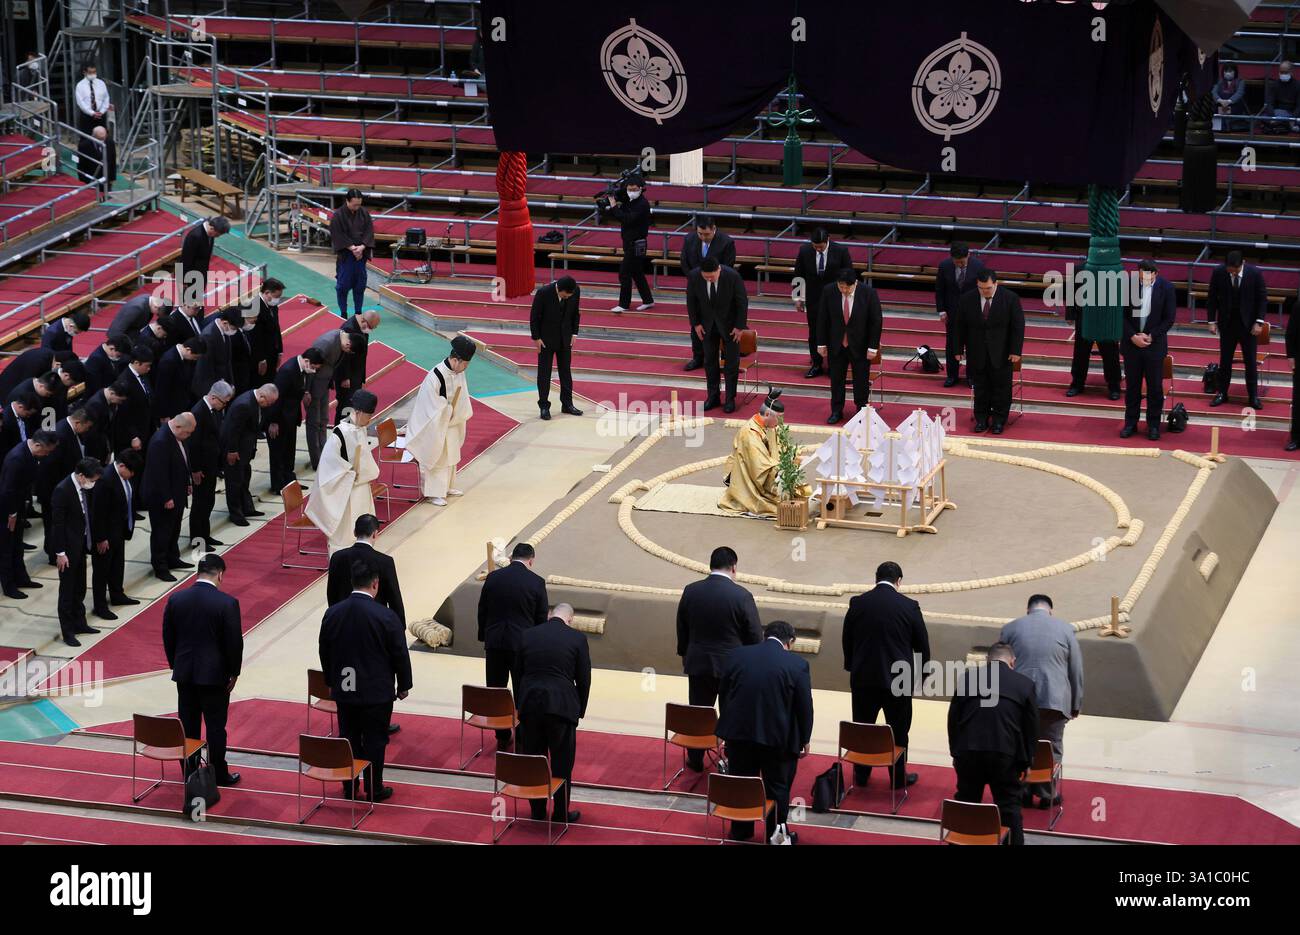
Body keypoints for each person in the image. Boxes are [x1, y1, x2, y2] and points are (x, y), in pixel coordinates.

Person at [318, 559, 412, 802]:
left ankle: (349, 786)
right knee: (375, 740)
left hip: (345, 688)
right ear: (375, 584)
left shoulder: (333, 612)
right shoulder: (386, 616)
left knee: (348, 736)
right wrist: (403, 685)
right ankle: (374, 787)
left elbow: (324, 650)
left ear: (352, 582)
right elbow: (399, 653)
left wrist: (330, 680)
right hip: (376, 691)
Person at [715, 620, 814, 844]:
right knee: (778, 788)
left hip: (739, 735)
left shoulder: (737, 655)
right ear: (791, 642)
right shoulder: (797, 664)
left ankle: (741, 830)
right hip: (778, 740)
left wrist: (727, 726)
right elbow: (804, 706)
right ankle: (775, 836)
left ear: (764, 635)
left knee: (742, 782)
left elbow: (725, 693)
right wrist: (805, 738)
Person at [841, 561, 930, 789]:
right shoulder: (909, 606)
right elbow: (922, 646)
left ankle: (861, 775)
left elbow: (847, 638)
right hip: (899, 682)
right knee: (899, 731)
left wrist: (852, 665)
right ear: (899, 581)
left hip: (864, 680)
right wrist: (921, 676)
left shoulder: (858, 603)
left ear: (875, 578)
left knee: (863, 728)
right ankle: (897, 779)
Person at [674, 546, 761, 771]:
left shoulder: (691, 590)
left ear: (711, 565)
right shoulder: (741, 595)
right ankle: (732, 758)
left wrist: (685, 653)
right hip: (733, 667)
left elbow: (682, 627)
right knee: (732, 714)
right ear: (733, 567)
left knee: (699, 711)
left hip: (698, 662)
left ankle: (695, 758)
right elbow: (753, 635)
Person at [162, 553, 243, 787]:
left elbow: (168, 636)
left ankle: (191, 772)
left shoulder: (176, 599)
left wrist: (175, 664)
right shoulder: (227, 603)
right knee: (216, 728)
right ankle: (218, 773)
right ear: (219, 574)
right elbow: (234, 643)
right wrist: (233, 672)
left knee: (189, 726)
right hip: (215, 678)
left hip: (185, 674)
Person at [947, 642, 1039, 846]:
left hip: (968, 751)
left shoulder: (967, 679)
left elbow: (953, 719)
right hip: (1004, 754)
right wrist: (1026, 762)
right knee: (1009, 807)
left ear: (987, 661)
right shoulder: (1024, 684)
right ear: (1012, 662)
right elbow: (1030, 728)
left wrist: (955, 753)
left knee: (966, 803)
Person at [999, 595, 1082, 808]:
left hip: (1018, 698)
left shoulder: (1010, 628)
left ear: (1028, 610)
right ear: (1050, 611)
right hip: (1054, 698)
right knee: (1051, 745)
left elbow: (1001, 666)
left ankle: (1024, 790)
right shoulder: (1065, 629)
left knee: (1022, 745)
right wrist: (1075, 702)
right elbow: (1075, 669)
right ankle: (1048, 794)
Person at [515, 602, 591, 825]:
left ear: (550, 615)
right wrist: (579, 709)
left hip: (530, 704)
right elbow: (584, 679)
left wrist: (521, 703)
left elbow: (517, 673)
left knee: (534, 759)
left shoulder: (527, 635)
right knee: (562, 762)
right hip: (561, 707)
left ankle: (537, 810)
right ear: (570, 620)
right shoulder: (577, 639)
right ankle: (560, 813)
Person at [476, 542, 548, 747]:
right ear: (531, 560)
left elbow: (483, 609)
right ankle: (523, 736)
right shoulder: (536, 582)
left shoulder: (493, 578)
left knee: (496, 690)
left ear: (510, 558)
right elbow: (540, 618)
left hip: (495, 642)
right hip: (522, 646)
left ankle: (501, 736)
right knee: (522, 691)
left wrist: (484, 636)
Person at [305, 389, 379, 552]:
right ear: (358, 412)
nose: (370, 419)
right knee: (346, 530)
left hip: (360, 486)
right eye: (368, 415)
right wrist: (349, 474)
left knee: (363, 526)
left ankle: (363, 553)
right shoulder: (339, 433)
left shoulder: (361, 428)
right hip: (344, 489)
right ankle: (340, 560)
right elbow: (328, 465)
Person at [404, 336, 474, 506]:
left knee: (451, 455)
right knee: (437, 455)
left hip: (451, 422)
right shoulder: (435, 376)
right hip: (435, 424)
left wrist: (454, 413)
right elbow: (429, 406)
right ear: (455, 360)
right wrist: (446, 411)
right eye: (464, 363)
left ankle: (446, 487)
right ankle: (433, 492)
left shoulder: (459, 372)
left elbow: (462, 397)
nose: (466, 367)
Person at [955, 270, 1025, 434]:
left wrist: (1016, 350)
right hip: (976, 351)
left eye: (987, 288)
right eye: (981, 288)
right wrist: (958, 348)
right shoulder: (967, 299)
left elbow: (1018, 326)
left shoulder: (1010, 298)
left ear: (996, 284)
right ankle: (981, 419)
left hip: (1002, 353)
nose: (984, 291)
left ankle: (999, 421)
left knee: (1002, 388)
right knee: (980, 388)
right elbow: (959, 325)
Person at [718, 389, 808, 516]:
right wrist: (782, 469)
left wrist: (794, 456)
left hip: (765, 469)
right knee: (780, 507)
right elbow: (759, 465)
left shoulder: (770, 427)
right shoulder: (750, 433)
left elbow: (780, 447)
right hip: (749, 477)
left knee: (795, 495)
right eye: (779, 418)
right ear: (767, 414)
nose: (781, 422)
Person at [50, 457, 104, 646]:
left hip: (81, 545)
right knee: (67, 591)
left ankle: (80, 623)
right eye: (92, 480)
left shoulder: (83, 488)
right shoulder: (62, 490)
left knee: (80, 587)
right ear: (81, 476)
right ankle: (68, 631)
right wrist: (60, 552)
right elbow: (57, 525)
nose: (93, 484)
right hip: (67, 549)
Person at [1121, 259, 1177, 440]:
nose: (1143, 278)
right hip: (1132, 345)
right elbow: (1119, 315)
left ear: (1155, 274)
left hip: (1155, 345)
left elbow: (1169, 318)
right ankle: (1131, 423)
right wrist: (1132, 336)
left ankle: (1153, 425)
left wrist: (1152, 335)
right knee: (1132, 387)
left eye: (1147, 275)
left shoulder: (1167, 288)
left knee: (1154, 388)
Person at [819, 268, 882, 424]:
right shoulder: (829, 291)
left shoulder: (868, 293)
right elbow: (822, 318)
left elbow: (876, 321)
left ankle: (861, 410)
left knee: (861, 380)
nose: (844, 290)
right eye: (841, 287)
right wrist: (821, 343)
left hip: (860, 345)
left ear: (855, 283)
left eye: (847, 287)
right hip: (836, 344)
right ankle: (836, 410)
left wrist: (873, 347)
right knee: (836, 379)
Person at [686, 256, 748, 413]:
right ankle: (713, 396)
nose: (709, 279)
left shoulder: (732, 276)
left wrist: (740, 327)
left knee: (731, 364)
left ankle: (730, 399)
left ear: (719, 269)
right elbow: (691, 301)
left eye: (712, 276)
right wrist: (696, 324)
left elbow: (742, 302)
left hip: (730, 326)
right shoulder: (694, 276)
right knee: (709, 362)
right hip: (707, 326)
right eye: (706, 277)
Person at [0, 431, 58, 600]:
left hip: (17, 505)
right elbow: (7, 490)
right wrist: (12, 513)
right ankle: (9, 585)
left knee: (17, 545)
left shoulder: (32, 454)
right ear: (38, 445)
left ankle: (21, 578)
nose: (47, 454)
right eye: (47, 451)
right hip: (6, 509)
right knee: (6, 548)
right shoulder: (17, 458)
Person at [1207, 250, 1267, 410]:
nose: (1232, 272)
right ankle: (1222, 393)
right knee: (1225, 361)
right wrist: (1211, 320)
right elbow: (1212, 297)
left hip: (1248, 326)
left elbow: (1262, 298)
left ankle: (1253, 396)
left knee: (1250, 363)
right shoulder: (1219, 272)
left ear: (1243, 263)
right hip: (1227, 324)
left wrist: (1259, 322)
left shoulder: (1255, 273)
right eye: (1230, 269)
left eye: (1235, 269)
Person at [36, 408, 96, 566]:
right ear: (78, 423)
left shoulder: (69, 430)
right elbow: (51, 467)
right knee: (53, 522)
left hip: (62, 485)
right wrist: (63, 490)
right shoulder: (62, 434)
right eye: (87, 427)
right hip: (53, 488)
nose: (87, 430)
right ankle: (53, 553)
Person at [141, 412, 196, 582]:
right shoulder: (160, 441)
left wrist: (187, 482)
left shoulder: (178, 437)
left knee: (174, 528)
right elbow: (159, 474)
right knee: (162, 532)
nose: (188, 436)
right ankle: (160, 566)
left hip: (177, 492)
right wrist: (167, 497)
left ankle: (173, 557)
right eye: (187, 433)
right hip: (162, 497)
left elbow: (182, 461)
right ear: (178, 426)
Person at [90, 449, 145, 617]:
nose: (133, 475)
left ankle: (117, 594)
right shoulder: (105, 480)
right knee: (101, 570)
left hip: (118, 531)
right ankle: (100, 606)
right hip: (105, 535)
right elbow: (97, 513)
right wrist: (101, 538)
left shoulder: (124, 477)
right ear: (121, 466)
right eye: (131, 471)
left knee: (117, 565)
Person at [793, 228, 853, 378]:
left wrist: (849, 297)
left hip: (836, 298)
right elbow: (798, 275)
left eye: (820, 246)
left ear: (828, 240)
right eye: (815, 246)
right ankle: (817, 363)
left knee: (835, 332)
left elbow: (849, 274)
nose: (817, 248)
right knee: (814, 332)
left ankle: (834, 364)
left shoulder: (841, 251)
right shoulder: (804, 251)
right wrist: (797, 298)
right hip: (813, 299)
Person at [326, 513, 405, 626]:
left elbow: (332, 594)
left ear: (354, 532)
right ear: (375, 534)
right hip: (375, 624)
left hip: (344, 622)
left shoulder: (337, 557)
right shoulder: (385, 561)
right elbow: (394, 598)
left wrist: (335, 619)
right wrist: (399, 628)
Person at [679, 216, 736, 370]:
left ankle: (725, 356)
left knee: (722, 323)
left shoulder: (727, 242)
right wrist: (696, 281)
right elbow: (684, 261)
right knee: (696, 323)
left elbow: (727, 266)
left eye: (706, 234)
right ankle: (698, 357)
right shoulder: (690, 239)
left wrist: (711, 280)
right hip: (696, 289)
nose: (703, 237)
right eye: (700, 234)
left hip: (719, 288)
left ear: (714, 229)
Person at [221, 384, 278, 527]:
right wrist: (232, 451)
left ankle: (247, 508)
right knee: (234, 481)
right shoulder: (244, 405)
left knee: (244, 477)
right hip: (236, 450)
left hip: (246, 449)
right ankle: (236, 513)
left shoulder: (256, 402)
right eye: (269, 402)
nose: (269, 406)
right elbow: (233, 431)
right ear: (262, 396)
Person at [267, 347, 323, 493]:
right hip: (279, 419)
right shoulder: (287, 371)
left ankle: (289, 481)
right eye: (313, 367)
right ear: (306, 361)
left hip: (290, 417)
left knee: (289, 451)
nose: (314, 371)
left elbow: (296, 387)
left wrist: (304, 392)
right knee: (278, 452)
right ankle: (278, 485)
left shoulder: (301, 369)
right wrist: (273, 421)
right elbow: (276, 397)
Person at [187, 381, 234, 551]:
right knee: (200, 503)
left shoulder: (213, 410)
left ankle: (205, 535)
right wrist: (195, 469)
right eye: (224, 402)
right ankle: (197, 540)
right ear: (214, 397)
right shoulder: (198, 412)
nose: (225, 405)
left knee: (208, 501)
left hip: (211, 465)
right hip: (202, 467)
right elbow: (193, 444)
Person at [305, 327, 358, 470]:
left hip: (324, 384)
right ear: (347, 345)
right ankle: (317, 461)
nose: (347, 353)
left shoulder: (341, 340)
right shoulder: (326, 343)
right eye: (349, 351)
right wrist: (306, 391)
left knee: (323, 420)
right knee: (313, 423)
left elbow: (331, 365)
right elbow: (309, 367)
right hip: (313, 387)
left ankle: (324, 454)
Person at [529, 276, 582, 419]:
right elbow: (534, 316)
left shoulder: (575, 291)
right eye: (566, 295)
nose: (567, 297)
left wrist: (574, 333)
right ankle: (544, 407)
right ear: (560, 289)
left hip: (565, 339)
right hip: (546, 340)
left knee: (566, 372)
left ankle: (567, 404)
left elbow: (575, 313)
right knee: (544, 374)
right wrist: (536, 338)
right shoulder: (543, 293)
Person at [935, 243, 986, 386]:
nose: (959, 264)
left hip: (973, 313)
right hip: (952, 313)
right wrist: (942, 310)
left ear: (968, 255)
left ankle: (971, 377)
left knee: (973, 345)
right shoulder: (944, 266)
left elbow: (983, 290)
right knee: (952, 345)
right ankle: (952, 375)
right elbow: (940, 289)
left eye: (962, 261)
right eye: (956, 262)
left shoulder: (979, 266)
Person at [606, 174, 654, 312]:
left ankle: (624, 304)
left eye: (634, 189)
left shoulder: (642, 204)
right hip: (629, 242)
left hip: (637, 243)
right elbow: (621, 194)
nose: (631, 191)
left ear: (640, 189)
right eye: (629, 189)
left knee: (624, 273)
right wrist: (613, 193)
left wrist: (613, 205)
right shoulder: (630, 200)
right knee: (637, 273)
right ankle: (648, 300)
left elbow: (626, 219)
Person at [1064, 294, 1121, 401]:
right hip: (1084, 314)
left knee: (1110, 352)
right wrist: (1070, 314)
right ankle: (1077, 383)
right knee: (1081, 351)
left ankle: (1114, 386)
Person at [330, 189, 374, 318]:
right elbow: (337, 234)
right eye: (354, 204)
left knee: (360, 286)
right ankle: (343, 313)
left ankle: (358, 312)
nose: (357, 207)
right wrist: (353, 248)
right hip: (346, 256)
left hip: (361, 255)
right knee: (342, 287)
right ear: (347, 201)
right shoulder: (338, 215)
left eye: (359, 204)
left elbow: (369, 231)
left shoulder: (364, 213)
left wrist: (362, 247)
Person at [152, 335, 206, 425]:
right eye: (195, 357)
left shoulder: (185, 359)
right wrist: (163, 415)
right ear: (188, 350)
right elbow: (162, 390)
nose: (195, 360)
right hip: (170, 410)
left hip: (180, 405)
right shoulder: (169, 361)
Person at [177, 216, 230, 307]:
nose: (218, 237)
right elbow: (185, 258)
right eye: (218, 234)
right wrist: (183, 280)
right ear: (212, 228)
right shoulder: (195, 236)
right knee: (187, 305)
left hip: (201, 275)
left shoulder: (210, 234)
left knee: (197, 303)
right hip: (190, 278)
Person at [335, 309, 380, 414]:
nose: (372, 330)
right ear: (364, 321)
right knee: (345, 407)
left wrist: (361, 379)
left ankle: (348, 428)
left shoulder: (363, 327)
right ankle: (340, 430)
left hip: (356, 376)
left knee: (352, 406)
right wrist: (345, 377)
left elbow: (362, 355)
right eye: (372, 327)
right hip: (347, 378)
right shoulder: (348, 329)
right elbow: (343, 356)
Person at [192, 307, 238, 399]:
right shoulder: (208, 337)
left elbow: (227, 361)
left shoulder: (224, 330)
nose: (235, 331)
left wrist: (231, 384)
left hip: (222, 385)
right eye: (234, 328)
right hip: (211, 391)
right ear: (225, 323)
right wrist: (214, 393)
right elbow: (205, 370)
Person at [248, 279, 286, 383]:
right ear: (267, 292)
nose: (277, 299)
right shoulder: (254, 306)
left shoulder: (273, 306)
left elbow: (277, 328)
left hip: (272, 352)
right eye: (277, 296)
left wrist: (280, 352)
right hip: (260, 356)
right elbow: (254, 337)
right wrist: (261, 359)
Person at [118, 346, 155, 452]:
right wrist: (133, 436)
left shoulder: (142, 375)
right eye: (147, 366)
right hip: (133, 435)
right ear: (136, 363)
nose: (149, 369)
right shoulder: (124, 381)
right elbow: (123, 414)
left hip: (145, 428)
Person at [76, 125, 116, 195]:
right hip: (91, 179)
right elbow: (81, 166)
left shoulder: (109, 142)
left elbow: (113, 160)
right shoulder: (84, 145)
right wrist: (83, 182)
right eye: (100, 139)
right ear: (93, 136)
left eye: (104, 138)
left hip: (106, 178)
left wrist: (112, 178)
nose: (102, 141)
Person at [73, 62, 111, 134]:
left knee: (102, 136)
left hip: (101, 115)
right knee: (87, 138)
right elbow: (80, 102)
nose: (93, 74)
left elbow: (106, 98)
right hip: (87, 116)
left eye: (94, 72)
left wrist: (102, 111)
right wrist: (92, 113)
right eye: (90, 72)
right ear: (84, 72)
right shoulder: (80, 85)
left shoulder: (101, 83)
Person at [1263, 61, 1298, 134]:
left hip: (1292, 113)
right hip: (1276, 113)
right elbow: (1269, 102)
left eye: (1285, 72)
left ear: (1291, 72)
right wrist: (1273, 117)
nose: (1283, 74)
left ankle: (1284, 124)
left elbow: (1299, 106)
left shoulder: (1298, 85)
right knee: (1263, 117)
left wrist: (1293, 118)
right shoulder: (1274, 84)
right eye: (1281, 72)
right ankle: (1284, 125)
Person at [1213, 63, 1247, 132]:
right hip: (1220, 104)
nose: (1228, 73)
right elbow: (1214, 92)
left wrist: (1229, 101)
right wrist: (1220, 100)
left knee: (1226, 110)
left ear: (1235, 72)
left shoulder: (1240, 81)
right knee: (1217, 108)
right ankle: (1222, 127)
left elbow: (1239, 94)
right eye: (1226, 71)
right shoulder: (1219, 81)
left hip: (1234, 106)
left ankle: (1226, 127)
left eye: (1230, 71)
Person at [1287, 290, 1299, 452]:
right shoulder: (1298, 306)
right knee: (1298, 401)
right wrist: (1291, 356)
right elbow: (1290, 333)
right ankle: (1296, 437)